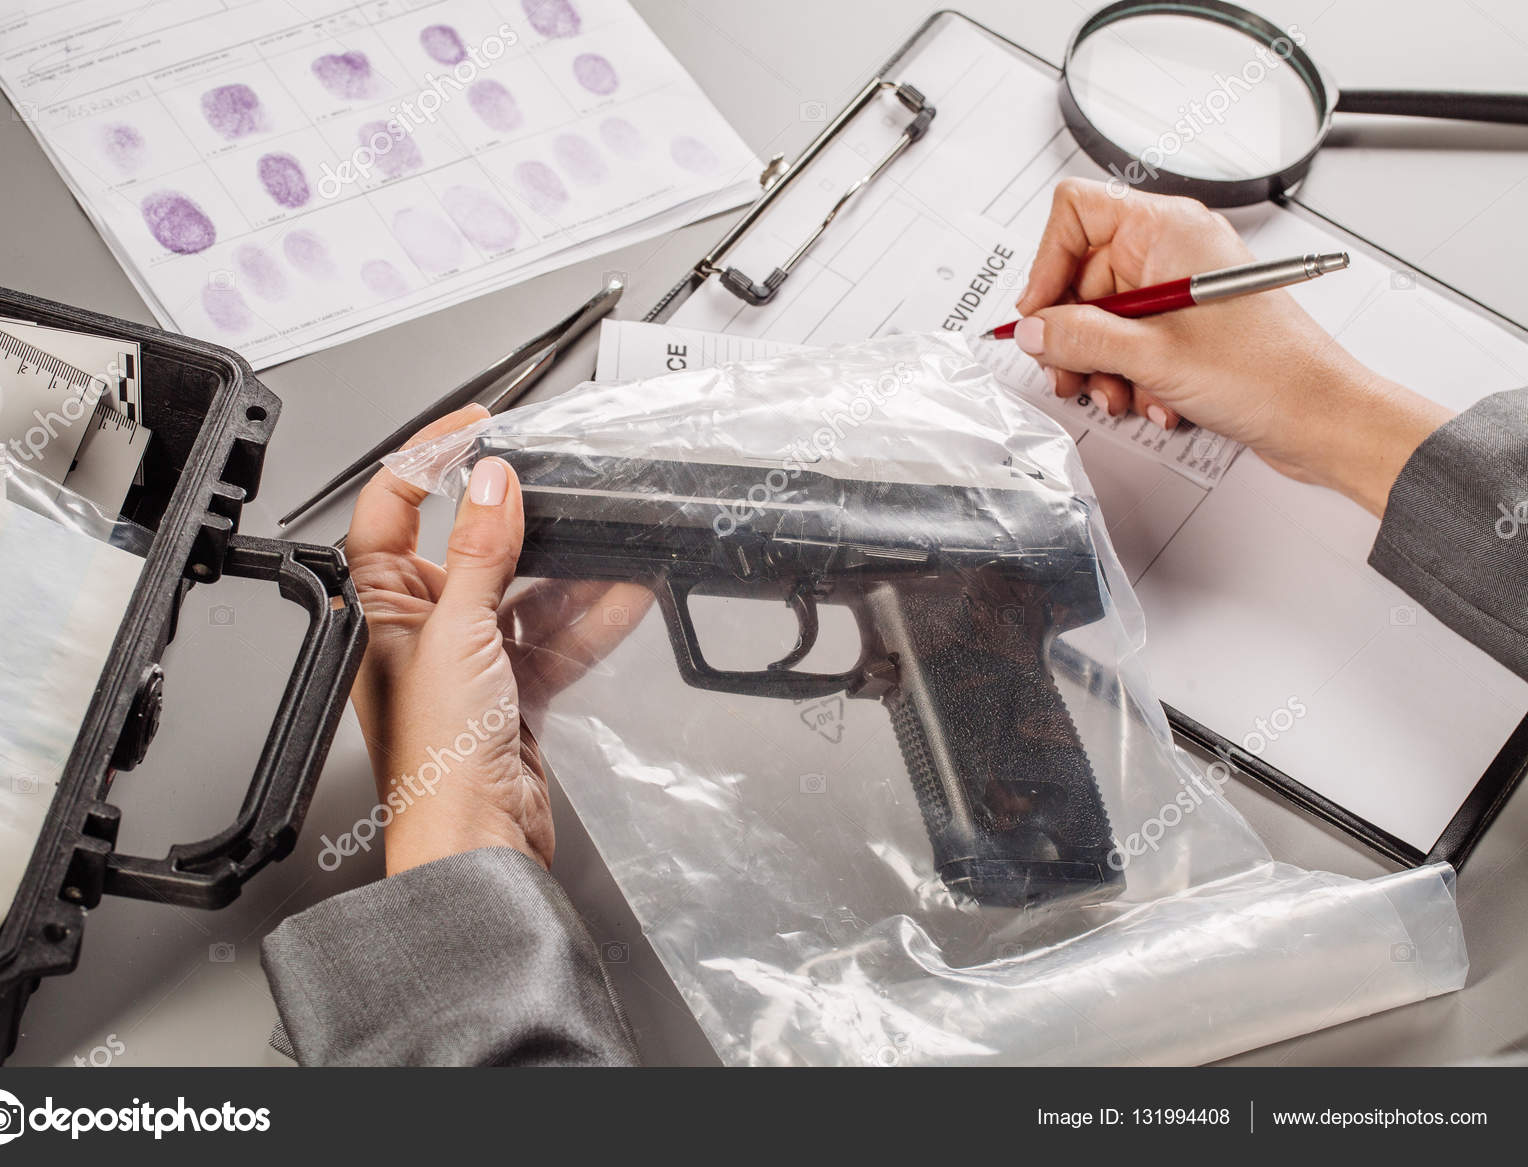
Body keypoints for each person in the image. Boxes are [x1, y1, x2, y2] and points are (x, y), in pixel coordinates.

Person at [260, 178, 1528, 1065]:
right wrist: (1346, 416)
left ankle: (1027, 860)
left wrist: (447, 854)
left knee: (1007, 795)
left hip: (957, 611)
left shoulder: (939, 580)